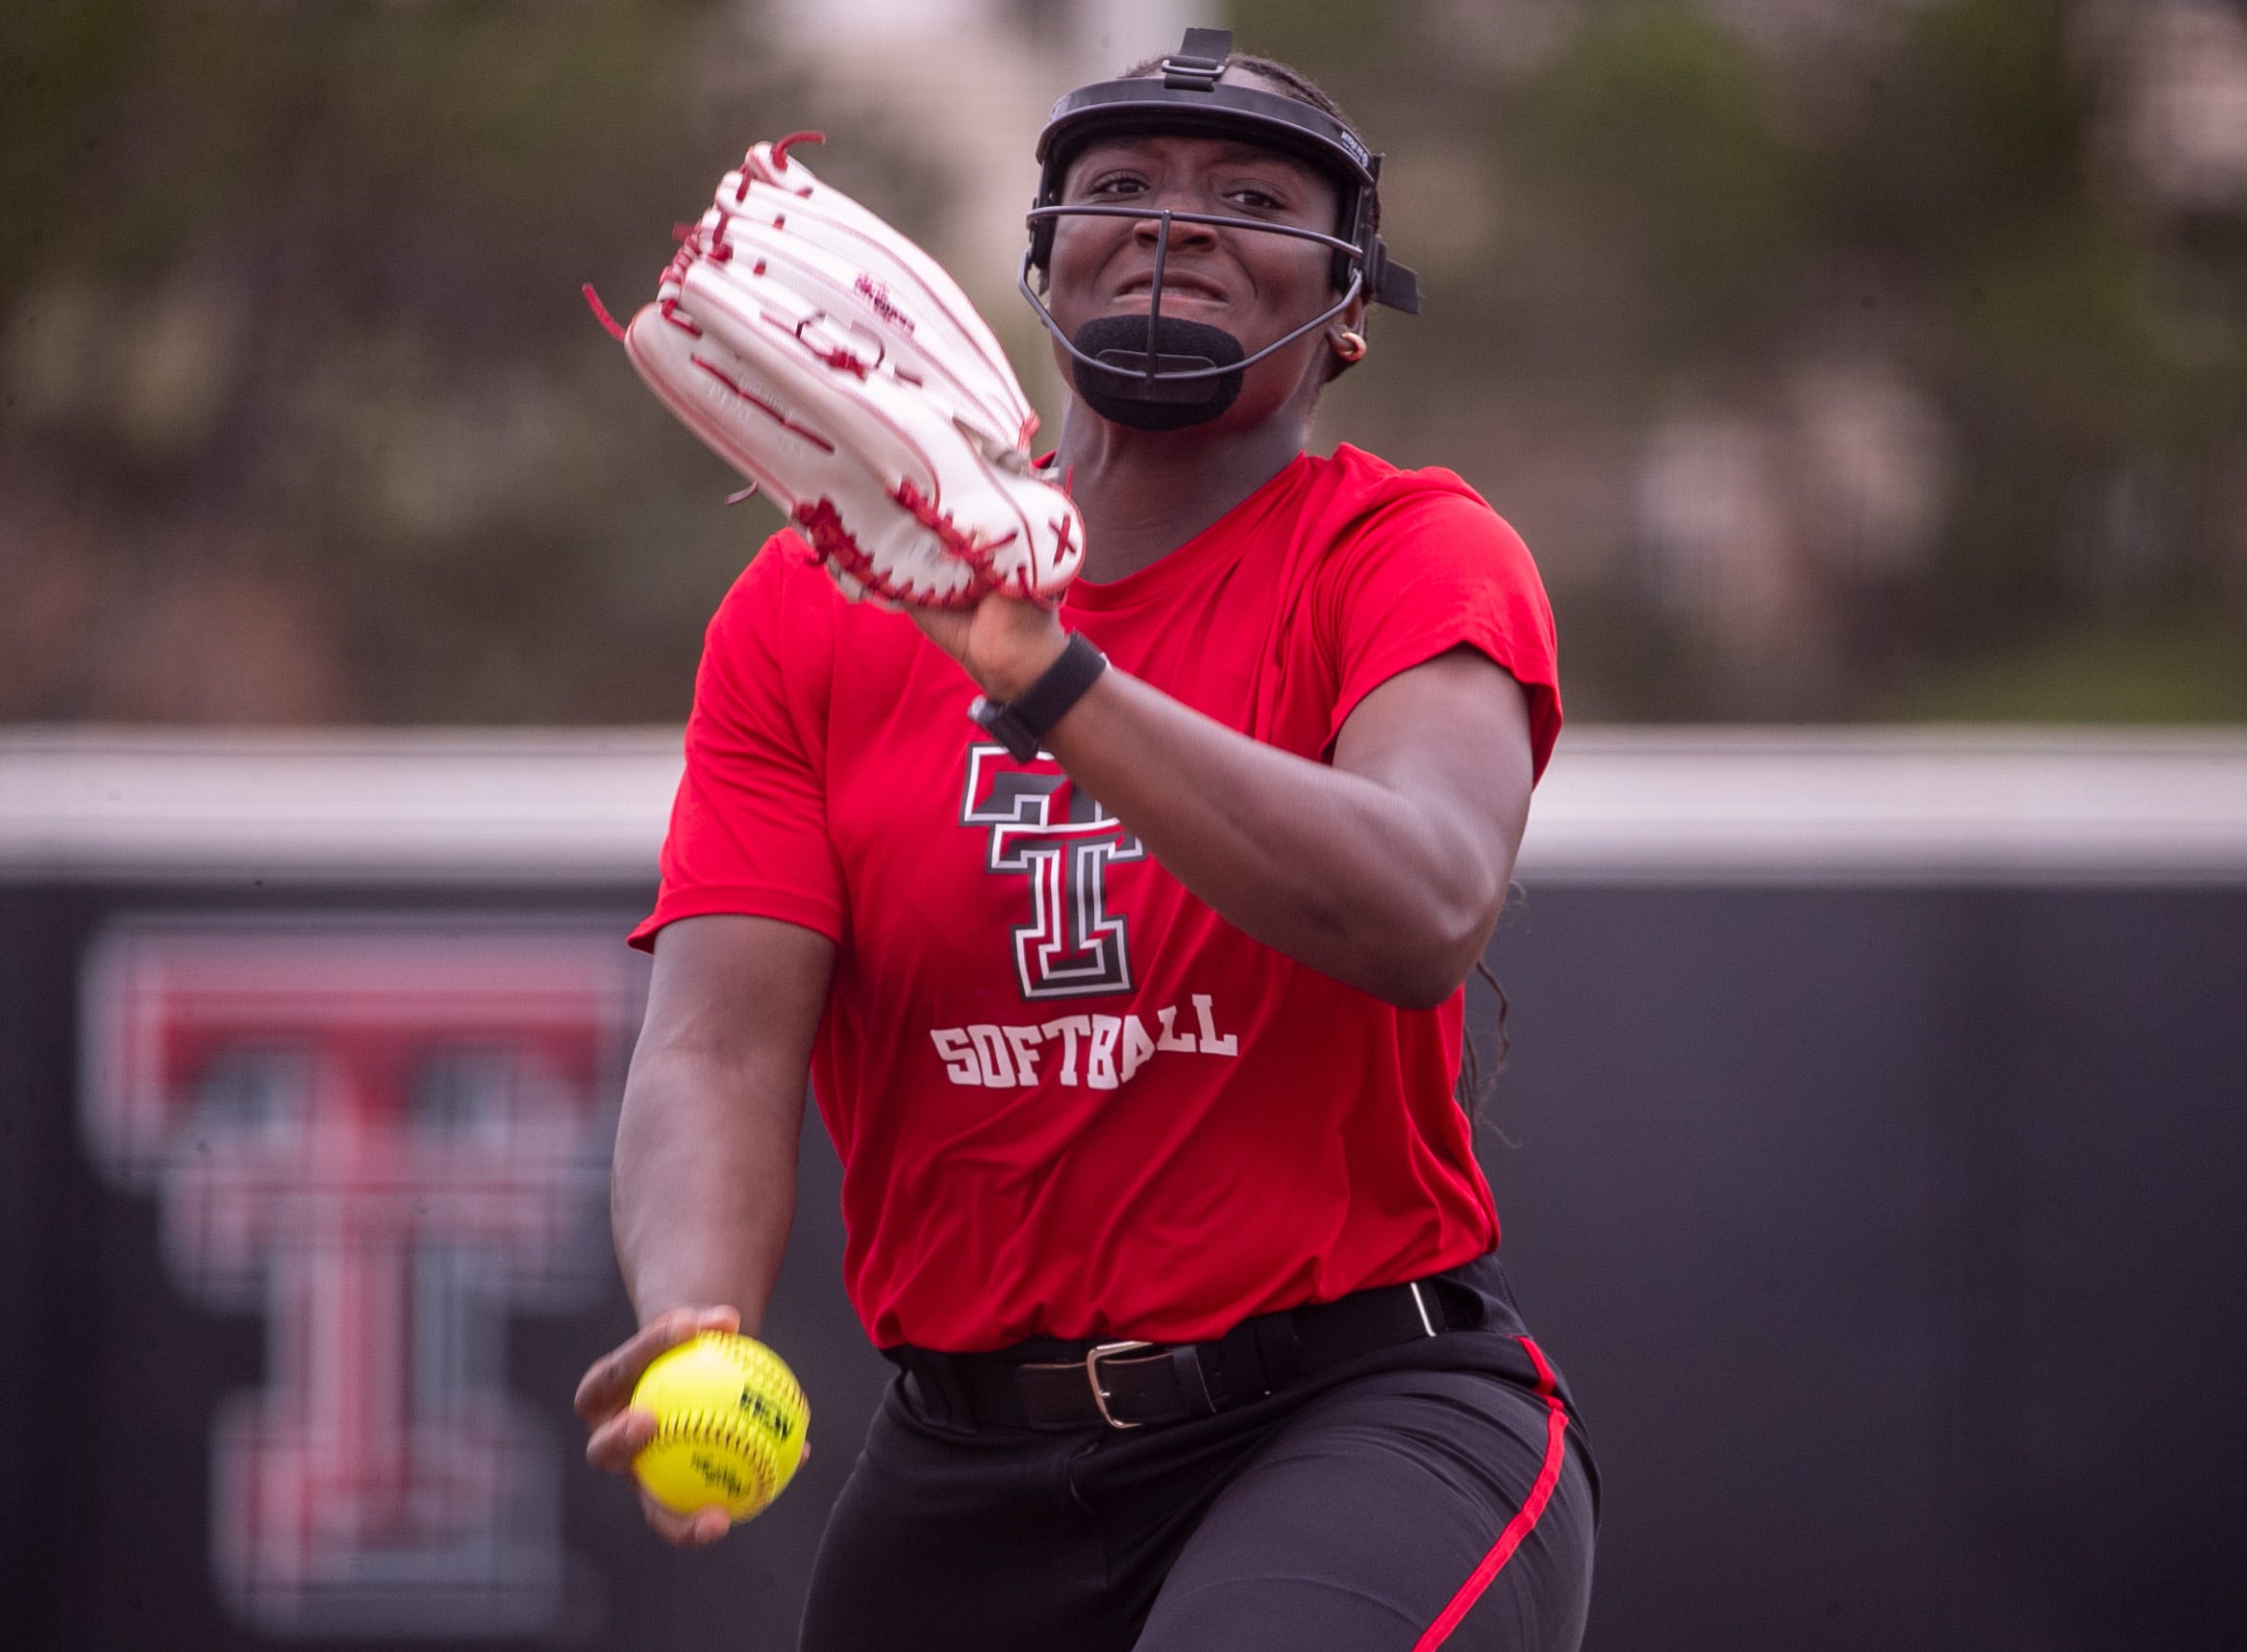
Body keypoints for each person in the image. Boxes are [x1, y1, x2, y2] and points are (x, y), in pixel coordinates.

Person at [575, 27, 1597, 1651]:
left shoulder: (1405, 551)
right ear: (1041, 261)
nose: (1175, 224)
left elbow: (1421, 907)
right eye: (1120, 186)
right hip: (963, 1457)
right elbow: (714, 1044)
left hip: (1349, 1411)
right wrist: (695, 1306)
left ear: (1347, 312)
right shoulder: (808, 603)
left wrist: (1041, 671)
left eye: (1252, 199)